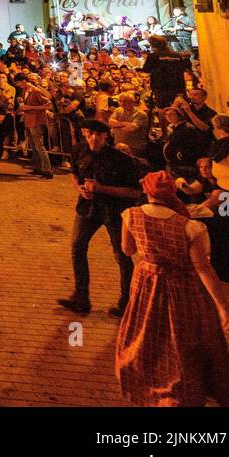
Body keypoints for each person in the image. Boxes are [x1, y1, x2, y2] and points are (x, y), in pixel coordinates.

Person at [116, 170, 229, 406]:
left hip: (146, 283)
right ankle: (179, 391)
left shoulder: (130, 215)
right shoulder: (189, 226)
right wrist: (224, 309)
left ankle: (146, 385)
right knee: (180, 341)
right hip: (181, 287)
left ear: (147, 191)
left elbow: (127, 250)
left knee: (147, 336)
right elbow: (203, 268)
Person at [57, 120, 141, 317]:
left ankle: (126, 301)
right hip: (88, 209)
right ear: (85, 133)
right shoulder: (78, 151)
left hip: (114, 211)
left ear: (106, 136)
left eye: (99, 134)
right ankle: (81, 296)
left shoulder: (121, 160)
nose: (94, 138)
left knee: (122, 255)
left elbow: (133, 192)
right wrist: (79, 188)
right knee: (77, 247)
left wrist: (102, 189)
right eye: (90, 133)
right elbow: (74, 174)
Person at [141, 36, 191, 109]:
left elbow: (146, 69)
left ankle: (163, 120)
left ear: (153, 45)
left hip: (161, 86)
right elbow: (182, 68)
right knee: (178, 107)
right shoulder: (176, 55)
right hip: (177, 86)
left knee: (162, 108)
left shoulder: (153, 55)